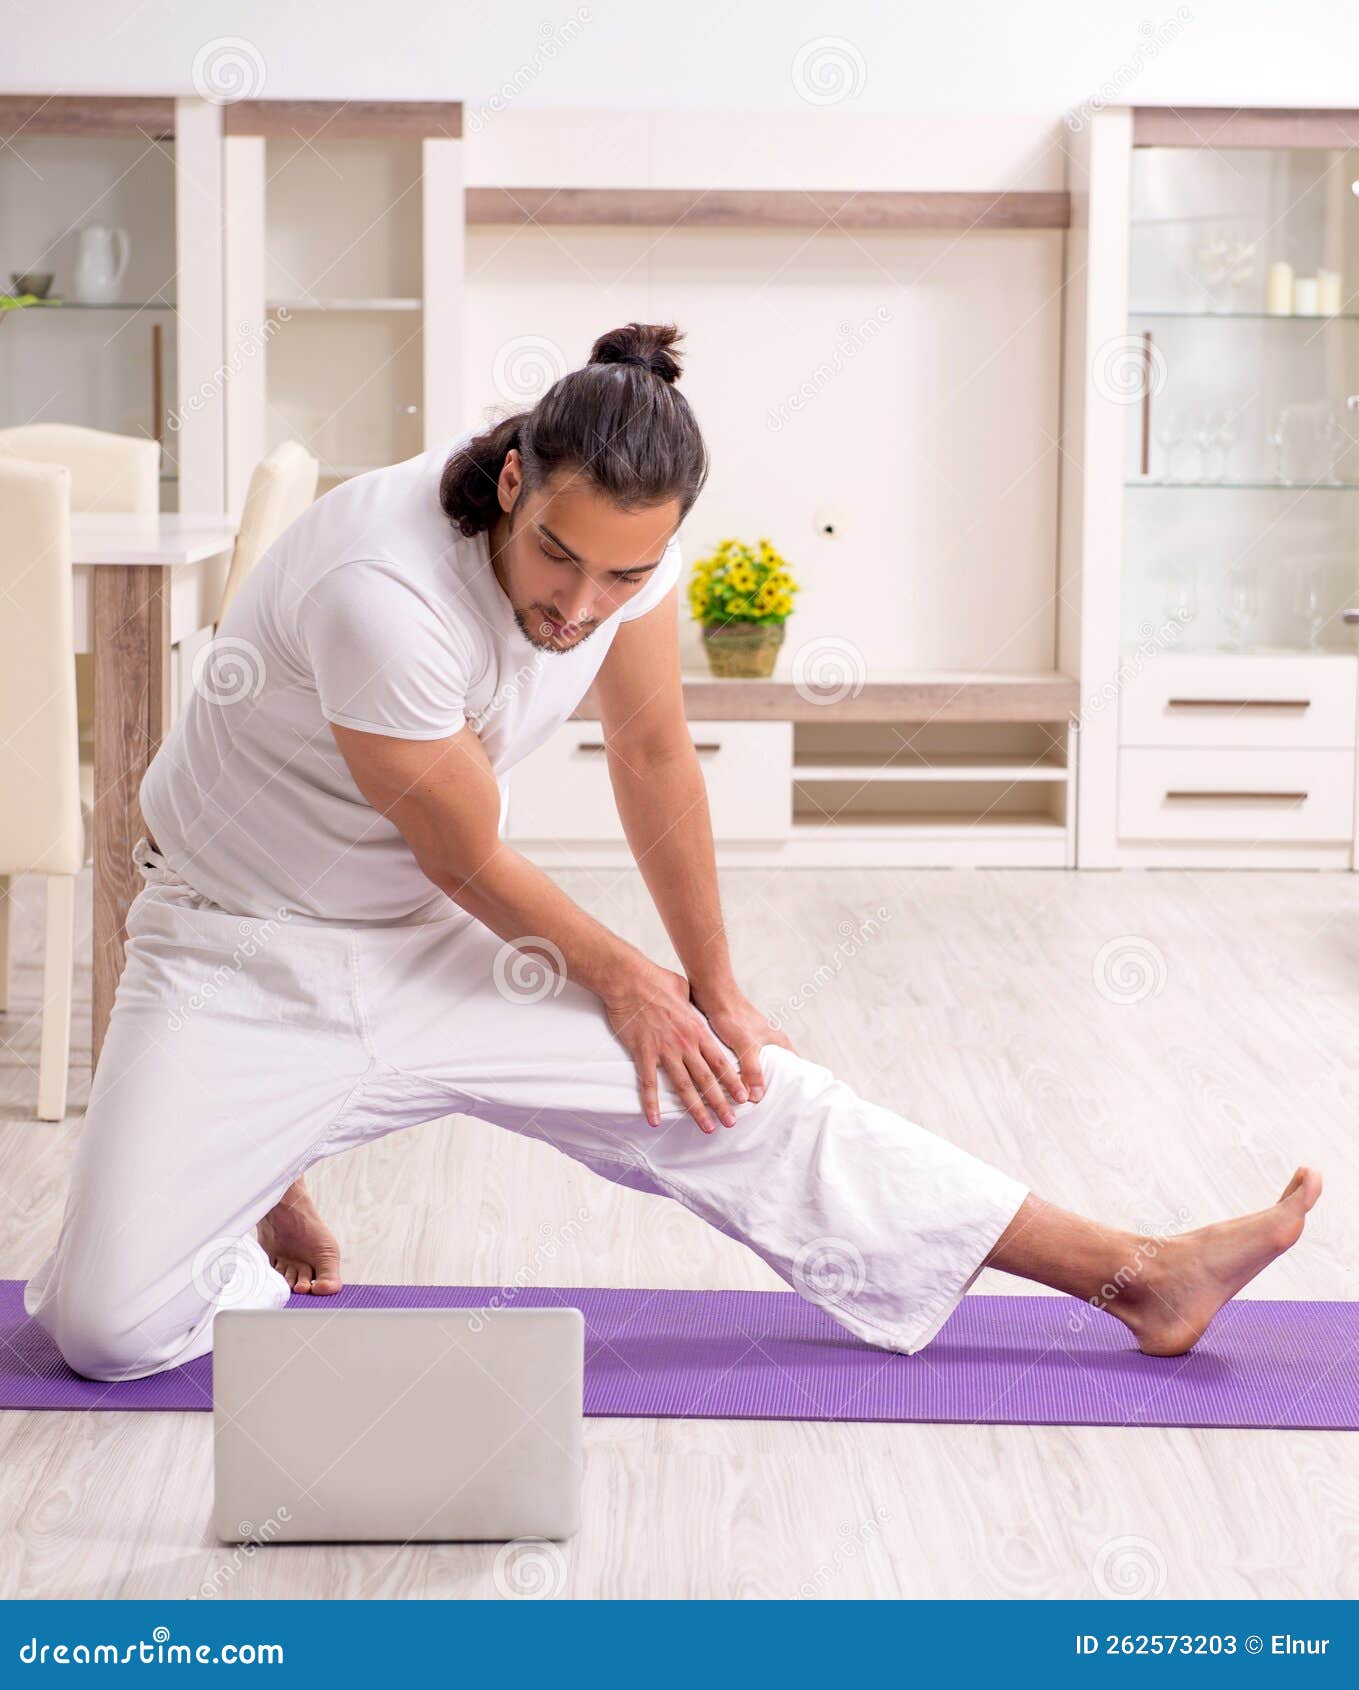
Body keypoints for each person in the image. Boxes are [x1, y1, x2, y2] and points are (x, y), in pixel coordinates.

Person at [25, 322, 1321, 1383]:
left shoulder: (627, 558)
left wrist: (717, 990)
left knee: (725, 1085)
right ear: (514, 480)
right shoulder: (382, 587)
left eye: (621, 579)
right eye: (559, 559)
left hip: (423, 939)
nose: (579, 606)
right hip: (239, 942)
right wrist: (627, 979)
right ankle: (249, 1173)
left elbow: (651, 755)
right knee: (102, 1327)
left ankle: (1140, 1273)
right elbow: (461, 854)